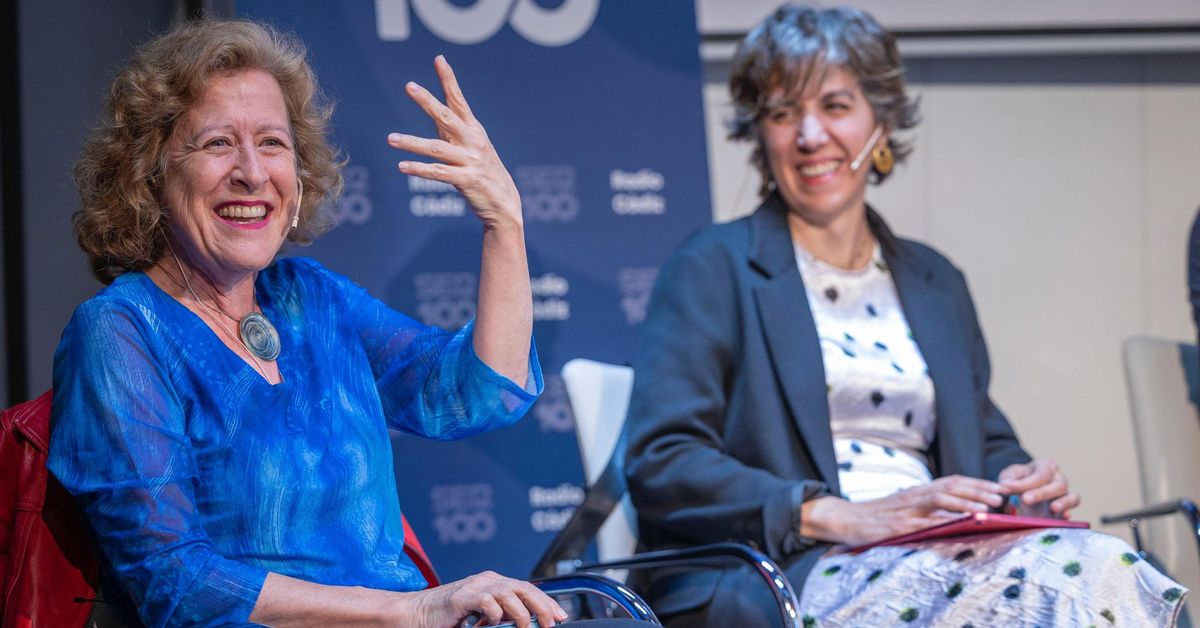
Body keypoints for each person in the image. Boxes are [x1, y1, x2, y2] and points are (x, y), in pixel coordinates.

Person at [46, 19, 629, 628]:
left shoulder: (311, 299)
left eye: (272, 142)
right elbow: (177, 583)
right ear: (150, 174)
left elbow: (479, 394)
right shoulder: (120, 332)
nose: (251, 171)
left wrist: (504, 224)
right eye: (217, 143)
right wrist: (409, 609)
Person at [623, 4, 1188, 626]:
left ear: (882, 124)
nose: (811, 136)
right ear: (761, 133)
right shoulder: (713, 266)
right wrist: (837, 513)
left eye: (835, 107)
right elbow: (663, 460)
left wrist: (1021, 481)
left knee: (1104, 563)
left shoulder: (934, 281)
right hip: (789, 570)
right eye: (784, 114)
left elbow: (983, 434)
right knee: (1058, 584)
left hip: (942, 548)